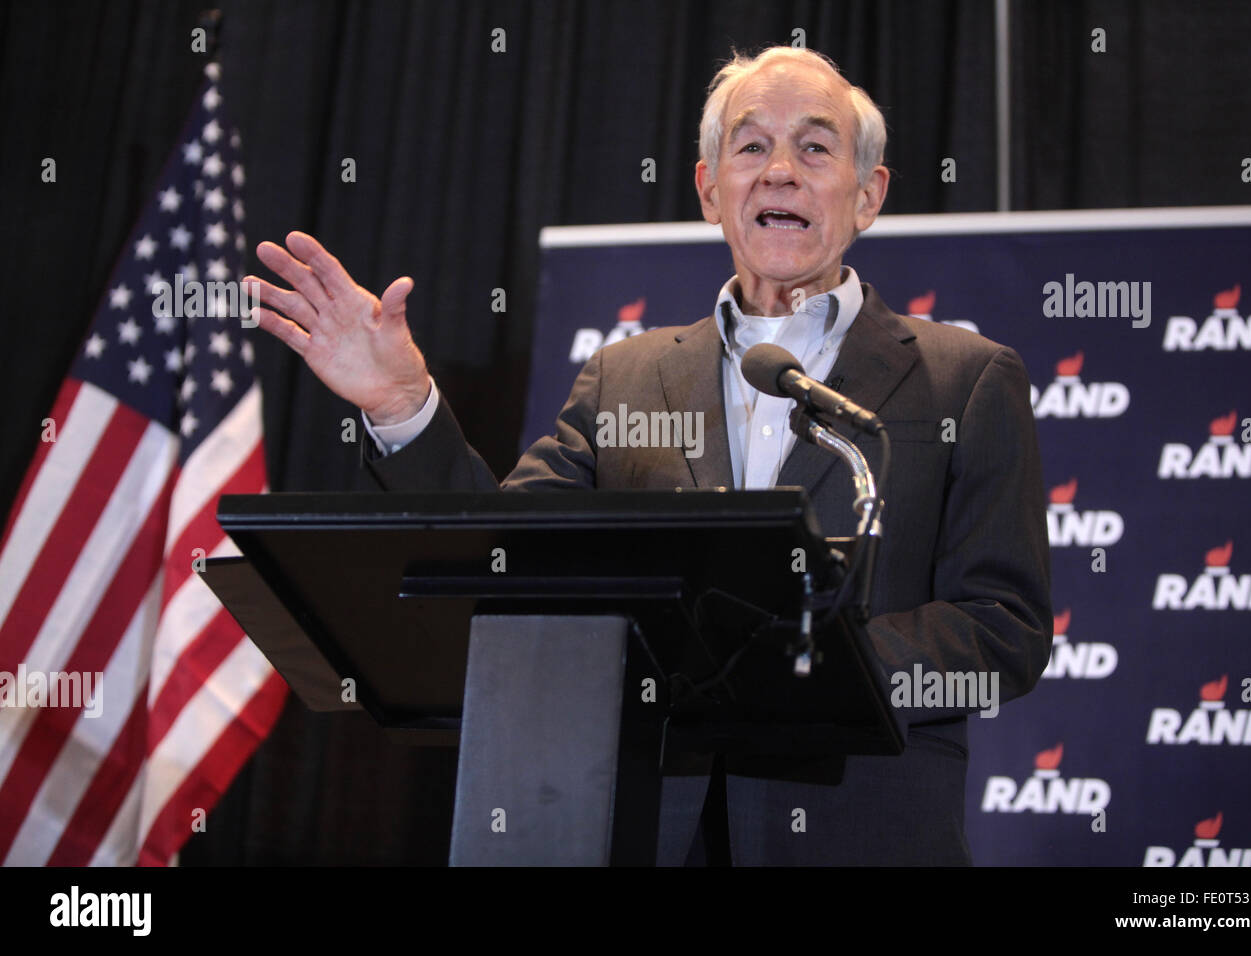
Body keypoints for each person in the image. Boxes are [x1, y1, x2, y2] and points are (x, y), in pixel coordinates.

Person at [245, 46, 1052, 865]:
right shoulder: (624, 379)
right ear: (710, 190)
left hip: (859, 835)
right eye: (750, 145)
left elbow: (1004, 628)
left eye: (815, 147)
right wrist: (400, 406)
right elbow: (505, 559)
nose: (780, 171)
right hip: (643, 832)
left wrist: (814, 664)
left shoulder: (966, 379)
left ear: (868, 194)